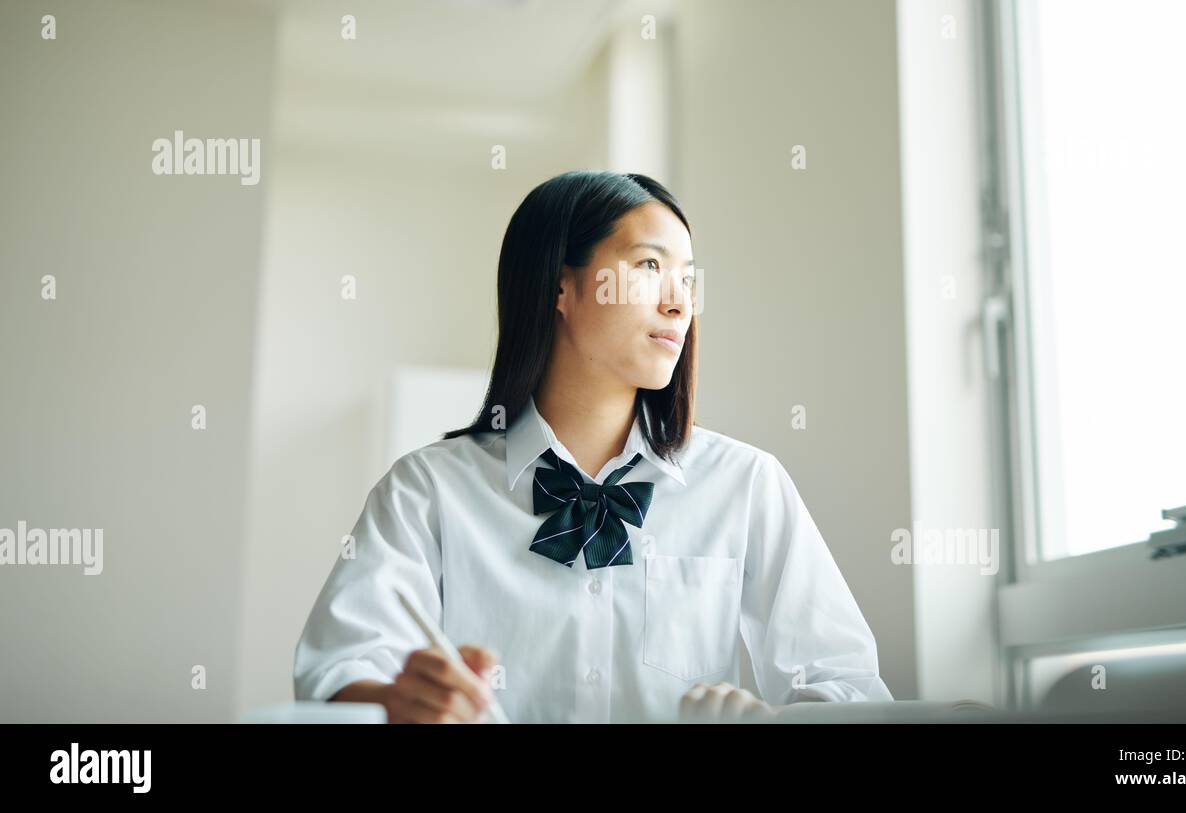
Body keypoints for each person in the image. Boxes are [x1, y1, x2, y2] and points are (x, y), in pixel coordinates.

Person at [292, 170, 892, 722]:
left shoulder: (748, 485)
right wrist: (401, 701)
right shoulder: (426, 492)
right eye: (650, 266)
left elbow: (848, 686)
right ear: (561, 285)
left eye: (688, 277)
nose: (680, 302)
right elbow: (336, 672)